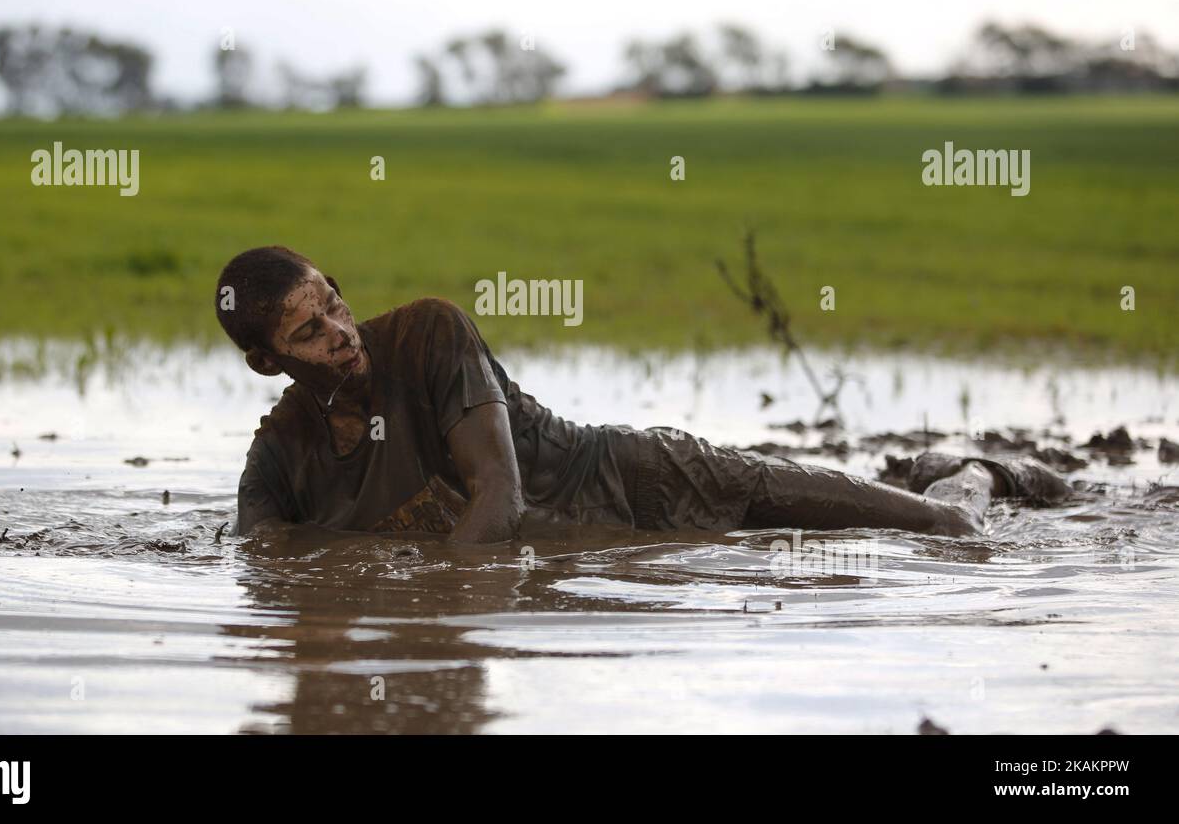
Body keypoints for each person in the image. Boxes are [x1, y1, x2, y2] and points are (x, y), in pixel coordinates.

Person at [216, 246, 1068, 543]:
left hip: (640, 479)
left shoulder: (429, 333)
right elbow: (262, 560)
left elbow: (502, 496)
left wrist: (432, 615)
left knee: (943, 531)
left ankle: (969, 472)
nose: (340, 329)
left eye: (333, 301)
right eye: (308, 331)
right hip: (595, 545)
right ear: (268, 362)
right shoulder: (280, 453)